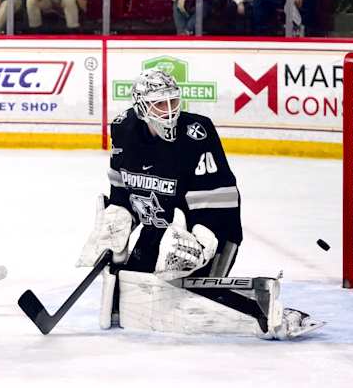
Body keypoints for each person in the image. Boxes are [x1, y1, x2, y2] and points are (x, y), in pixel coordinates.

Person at [76, 69, 322, 340]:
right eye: (160, 104)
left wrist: (203, 239)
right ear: (142, 106)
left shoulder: (197, 134)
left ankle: (270, 311)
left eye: (173, 102)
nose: (169, 111)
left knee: (181, 294)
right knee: (130, 294)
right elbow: (122, 188)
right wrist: (118, 225)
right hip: (159, 231)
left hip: (207, 232)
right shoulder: (123, 129)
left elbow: (220, 198)